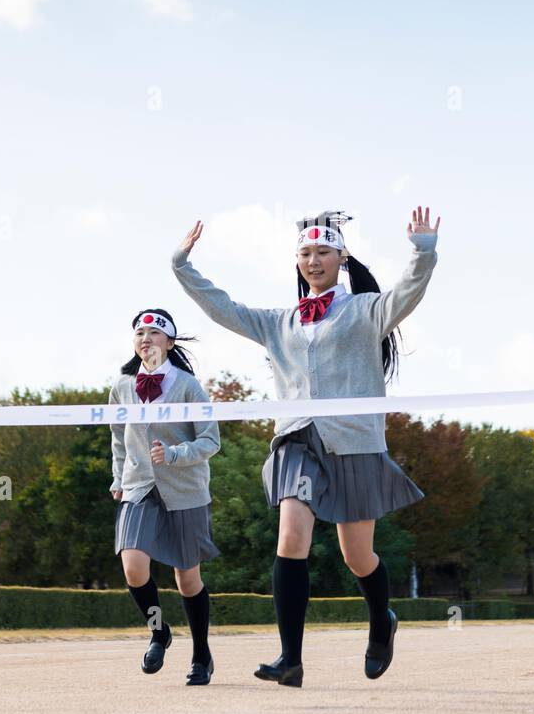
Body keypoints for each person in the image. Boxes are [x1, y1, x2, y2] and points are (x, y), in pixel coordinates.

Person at [171, 206, 440, 687]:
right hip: (297, 438)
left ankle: (382, 621)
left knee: (357, 555)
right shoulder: (280, 322)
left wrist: (422, 251)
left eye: (322, 252)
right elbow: (224, 308)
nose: (313, 261)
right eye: (305, 253)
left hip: (353, 442)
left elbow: (407, 292)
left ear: (341, 257)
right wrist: (182, 267)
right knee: (291, 536)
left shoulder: (365, 309)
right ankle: (290, 659)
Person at [109, 307, 220, 685]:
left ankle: (202, 656)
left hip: (185, 489)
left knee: (187, 579)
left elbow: (211, 439)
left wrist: (175, 455)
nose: (146, 339)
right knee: (133, 566)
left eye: (155, 333)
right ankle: (159, 631)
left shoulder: (189, 386)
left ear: (170, 343)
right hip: (139, 485)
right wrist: (117, 477)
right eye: (139, 332)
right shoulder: (122, 387)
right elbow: (117, 437)